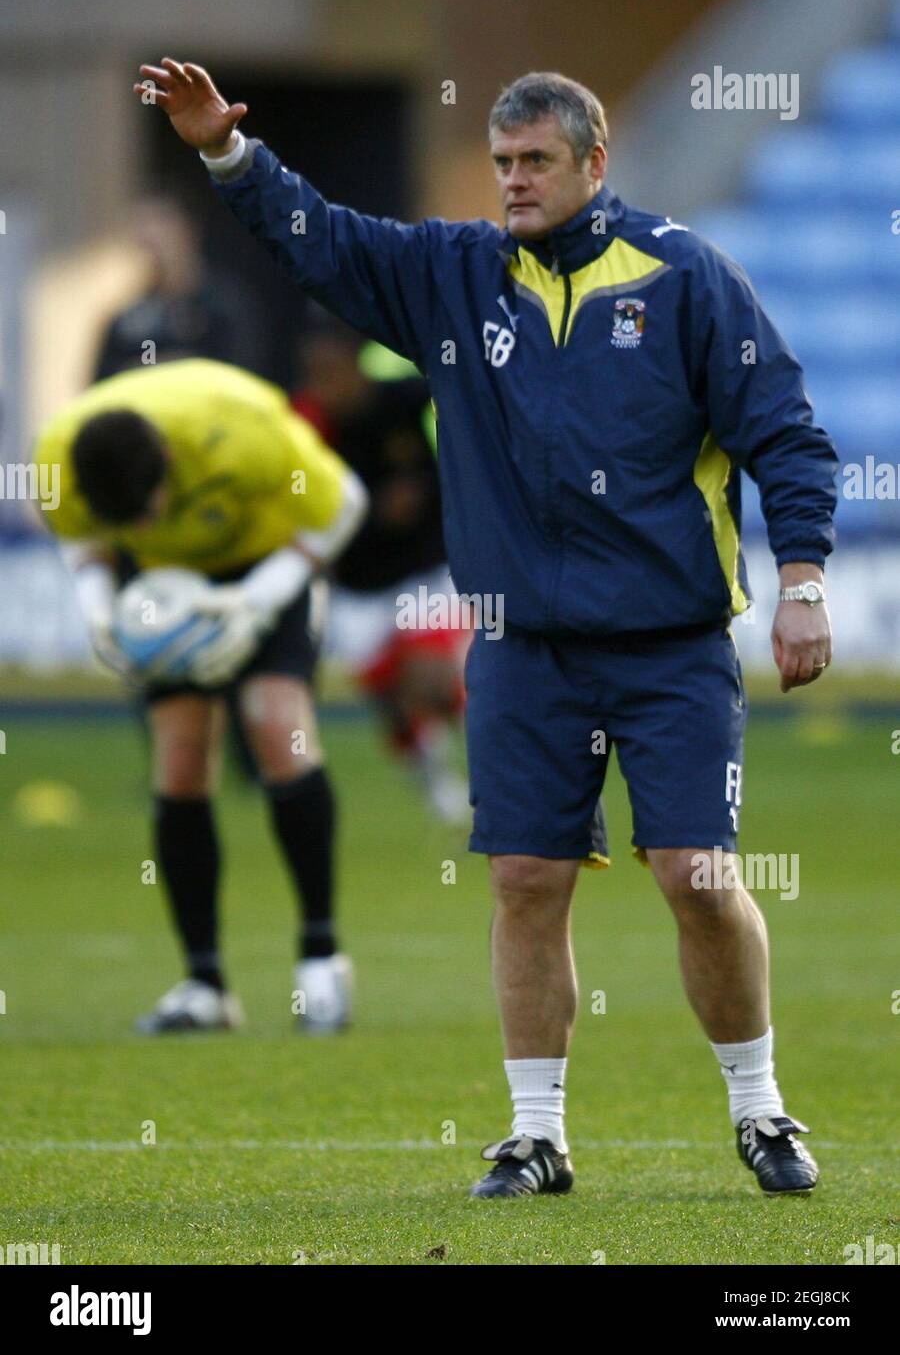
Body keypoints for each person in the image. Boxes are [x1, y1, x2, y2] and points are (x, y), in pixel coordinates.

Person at [135, 60, 838, 1198]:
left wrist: (801, 576)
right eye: (502, 162)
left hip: (669, 642)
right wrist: (225, 152)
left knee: (699, 876)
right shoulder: (456, 275)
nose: (512, 181)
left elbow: (788, 435)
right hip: (521, 645)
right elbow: (323, 240)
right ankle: (536, 1133)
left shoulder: (685, 276)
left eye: (535, 163)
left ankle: (760, 1109)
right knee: (523, 879)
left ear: (594, 163)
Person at [33, 357, 368, 1035]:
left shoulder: (240, 427)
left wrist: (253, 601)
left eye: (149, 508)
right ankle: (206, 984)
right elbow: (83, 537)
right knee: (181, 762)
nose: (146, 524)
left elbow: (346, 505)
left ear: (167, 458)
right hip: (167, 590)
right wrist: (99, 607)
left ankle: (320, 961)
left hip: (267, 564)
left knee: (278, 726)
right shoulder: (56, 460)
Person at [292, 313, 468, 823]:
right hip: (357, 586)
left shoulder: (405, 400)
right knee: (393, 703)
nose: (324, 387)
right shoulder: (305, 426)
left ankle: (498, 774)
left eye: (332, 373)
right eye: (314, 375)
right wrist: (373, 511)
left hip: (424, 571)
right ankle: (432, 775)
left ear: (356, 368)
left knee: (431, 679)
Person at [93, 194, 263, 382]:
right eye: (143, 225)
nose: (152, 235)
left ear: (189, 228)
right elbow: (102, 389)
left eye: (162, 222)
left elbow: (246, 375)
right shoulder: (127, 321)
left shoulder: (225, 308)